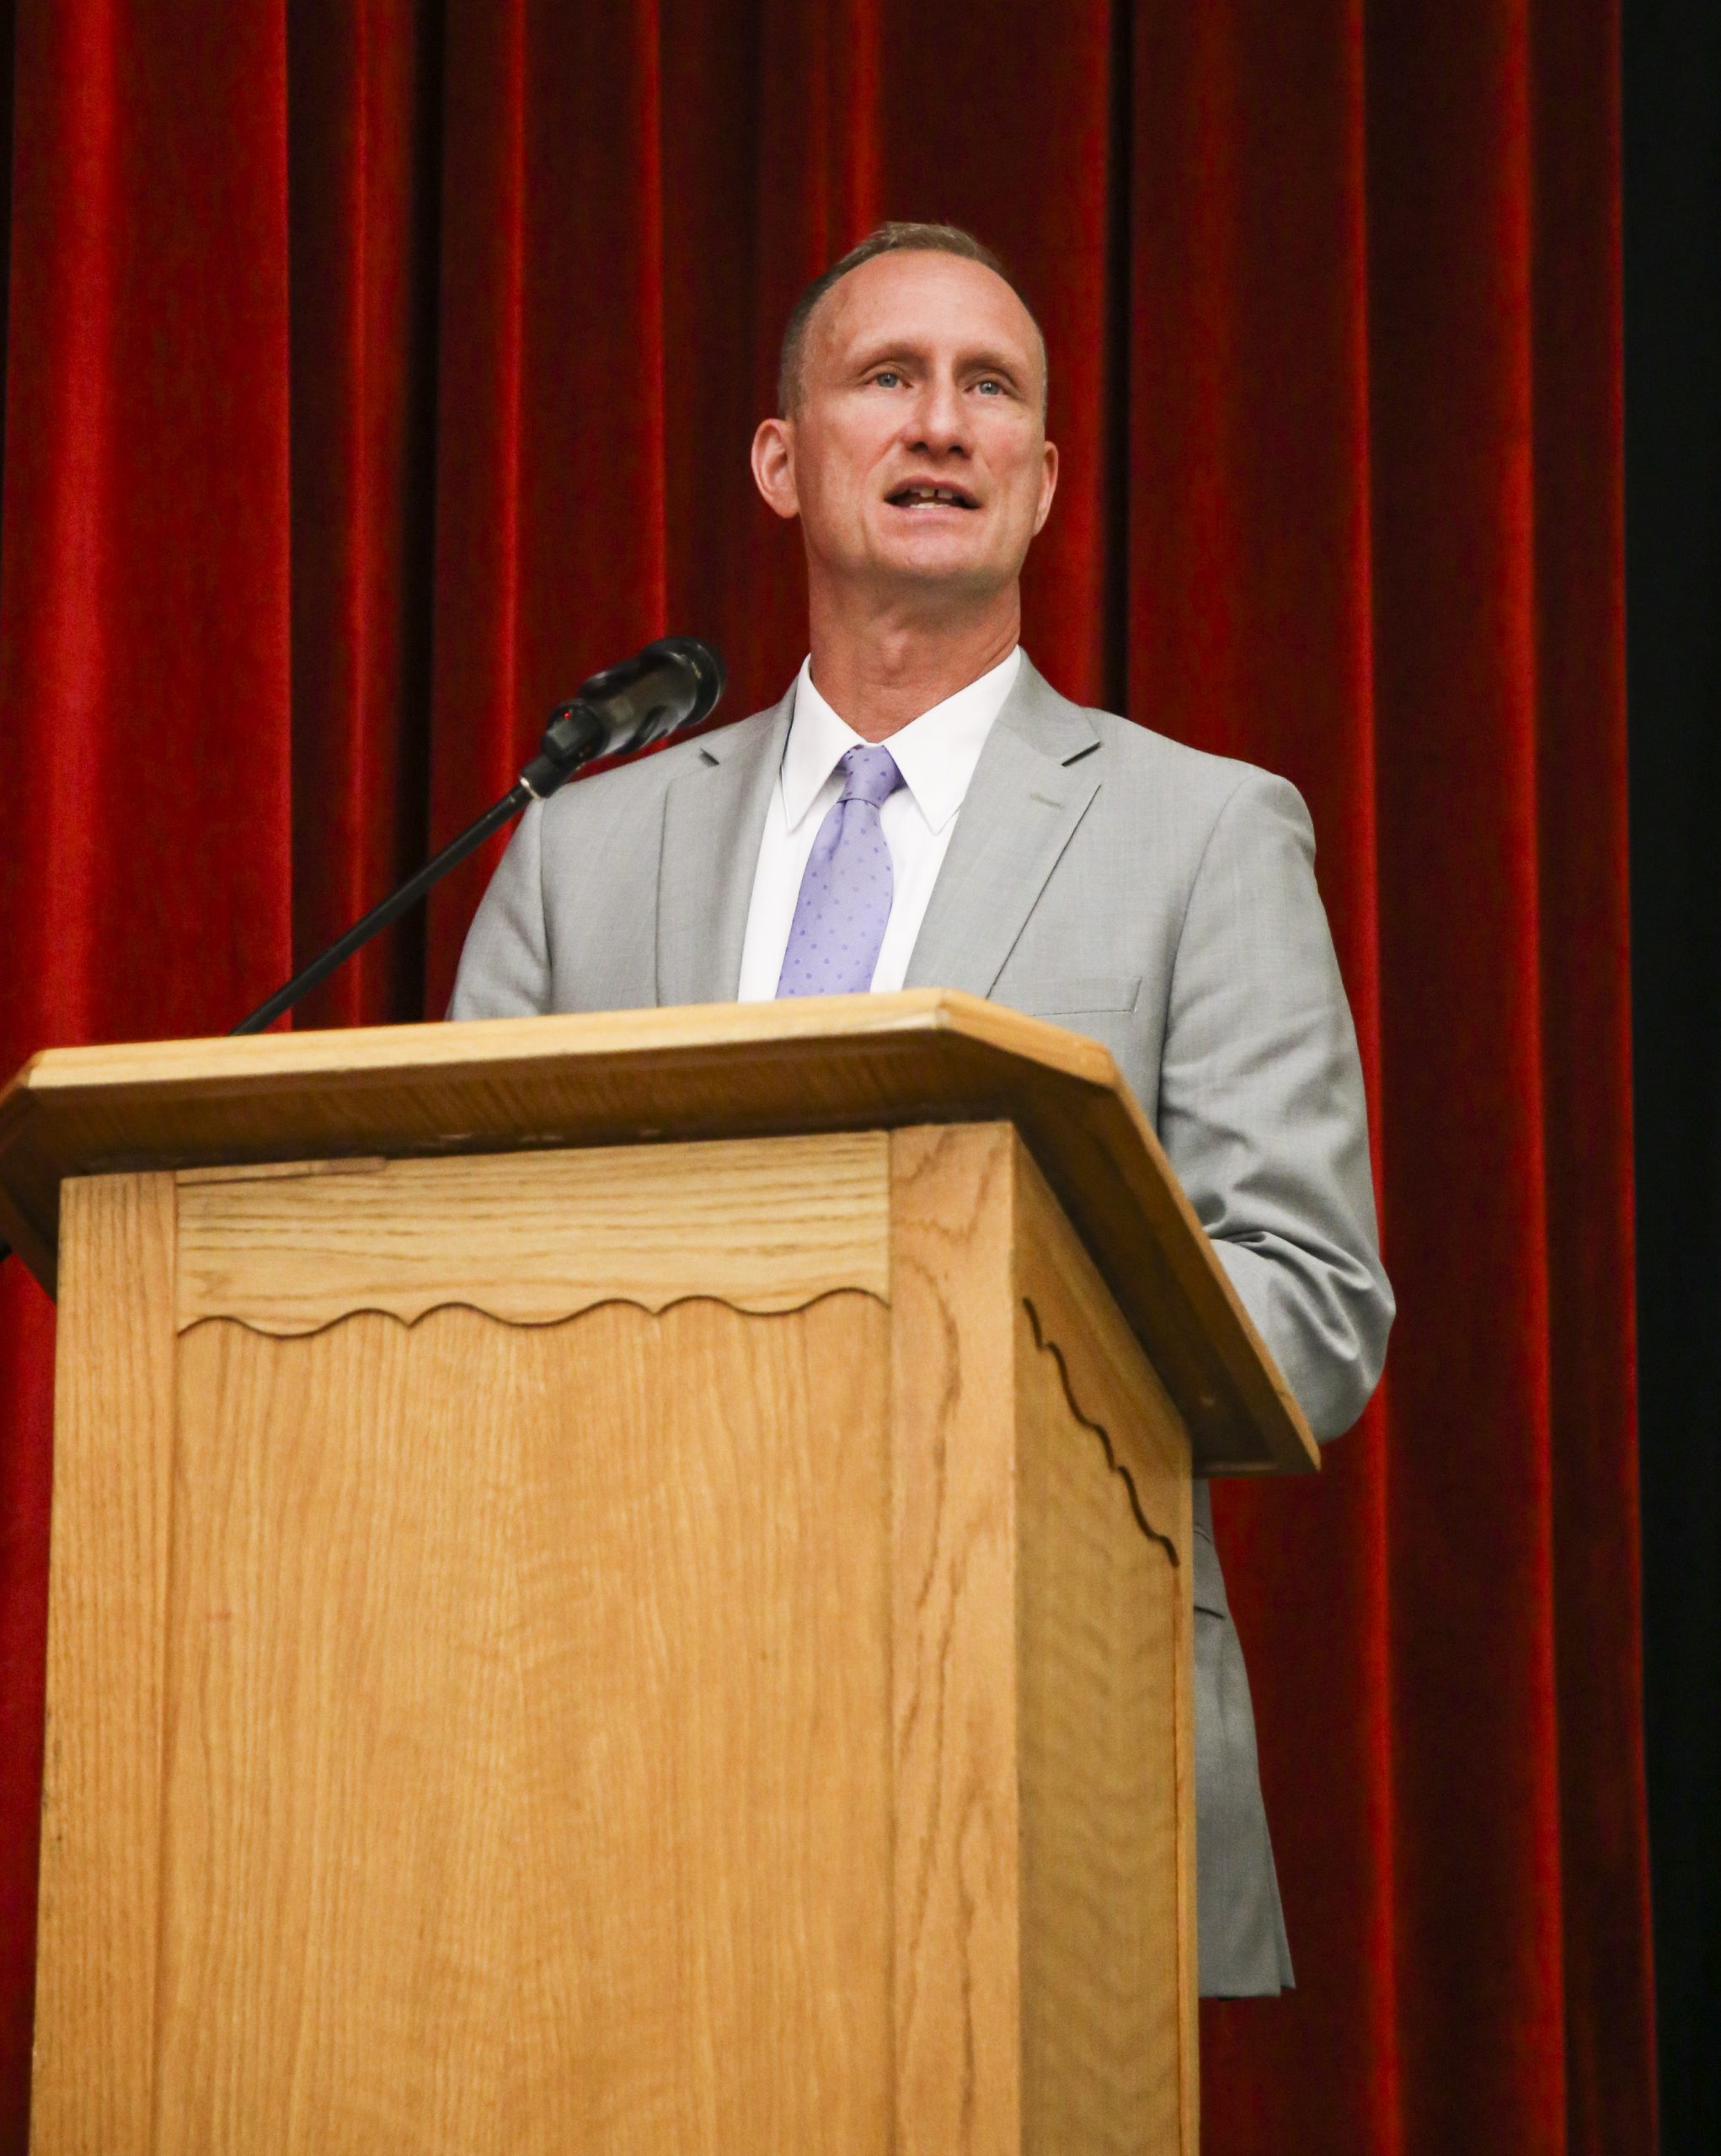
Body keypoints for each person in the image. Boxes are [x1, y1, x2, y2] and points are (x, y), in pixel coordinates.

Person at [449, 221, 1393, 1997]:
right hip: (614, 1722)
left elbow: (1309, 1301)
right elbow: (456, 1268)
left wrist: (969, 1355)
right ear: (781, 457)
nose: (939, 424)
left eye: (989, 390)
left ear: (1041, 483)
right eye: (887, 379)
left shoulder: (1205, 832)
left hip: (1038, 1716)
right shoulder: (583, 846)